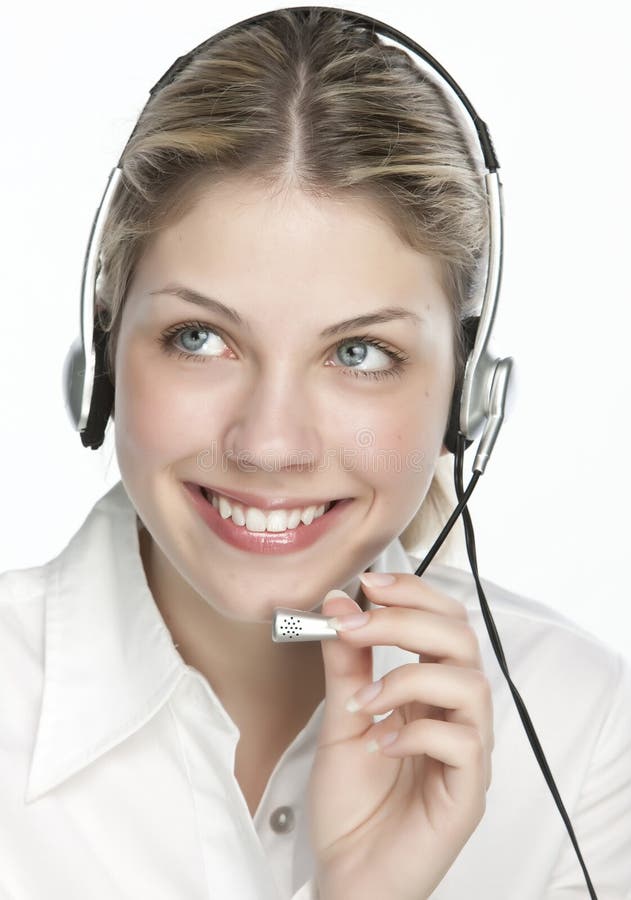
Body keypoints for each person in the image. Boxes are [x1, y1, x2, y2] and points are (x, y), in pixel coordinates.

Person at [1, 8, 629, 899]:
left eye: (358, 353)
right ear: (102, 357)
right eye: (198, 338)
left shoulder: (575, 730)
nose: (268, 444)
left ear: (467, 400)